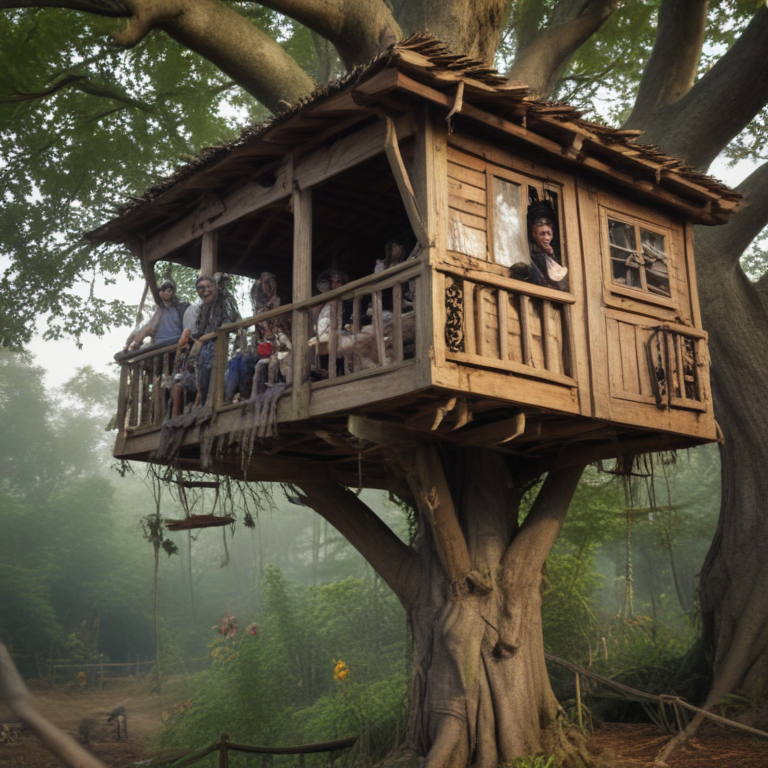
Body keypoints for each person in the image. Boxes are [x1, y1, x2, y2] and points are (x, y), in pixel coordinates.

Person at [177, 274, 241, 407]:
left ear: (214, 287)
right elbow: (198, 331)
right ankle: (206, 406)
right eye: (201, 288)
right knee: (204, 382)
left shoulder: (224, 300)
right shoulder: (202, 308)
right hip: (205, 351)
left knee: (222, 378)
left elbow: (231, 322)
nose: (205, 290)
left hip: (224, 346)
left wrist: (212, 335)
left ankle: (222, 403)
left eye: (208, 286)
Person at [120, 279, 190, 355]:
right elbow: (143, 332)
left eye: (169, 290)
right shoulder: (154, 313)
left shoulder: (179, 309)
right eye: (164, 290)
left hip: (177, 343)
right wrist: (129, 345)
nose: (166, 293)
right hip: (159, 347)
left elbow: (188, 327)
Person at [510, 203, 568, 290]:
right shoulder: (529, 255)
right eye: (542, 234)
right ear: (534, 234)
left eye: (549, 233)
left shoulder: (552, 255)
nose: (546, 238)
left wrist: (551, 256)